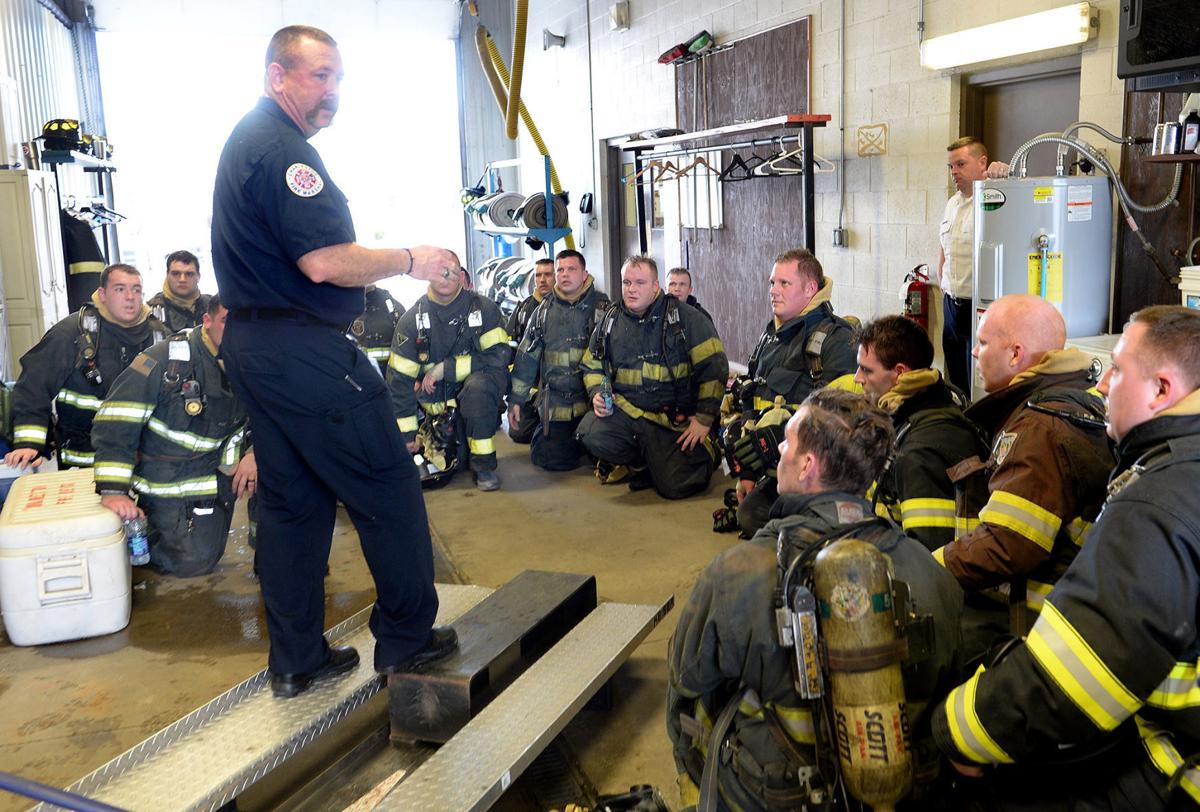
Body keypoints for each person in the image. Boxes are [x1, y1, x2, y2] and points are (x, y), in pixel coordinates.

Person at [211, 25, 458, 699]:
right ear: (277, 77)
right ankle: (407, 641)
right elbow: (323, 262)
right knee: (388, 488)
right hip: (304, 351)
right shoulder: (284, 152)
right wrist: (410, 259)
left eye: (338, 78)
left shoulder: (248, 141)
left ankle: (297, 661)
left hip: (256, 346)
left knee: (293, 506)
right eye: (319, 76)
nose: (333, 91)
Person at [932, 306, 1200, 811]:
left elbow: (1074, 678)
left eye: (1117, 370)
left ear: (1162, 389)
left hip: (1175, 767)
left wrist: (957, 728)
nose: (1102, 386)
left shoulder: (1154, 503)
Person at [668, 389, 964, 811]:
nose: (780, 450)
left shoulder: (738, 572)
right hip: (905, 793)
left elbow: (687, 680)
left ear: (807, 465)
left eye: (788, 441)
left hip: (775, 796)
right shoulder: (931, 571)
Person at [936, 294, 1113, 661]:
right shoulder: (1073, 400)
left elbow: (1008, 544)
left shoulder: (1039, 428)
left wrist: (928, 568)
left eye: (983, 343)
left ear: (1015, 354)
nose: (974, 353)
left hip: (1040, 638)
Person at [91, 296, 256, 577]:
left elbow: (272, 416)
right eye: (227, 322)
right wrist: (113, 491)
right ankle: (140, 535)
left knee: (285, 474)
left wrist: (255, 453)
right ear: (207, 321)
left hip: (219, 477)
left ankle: (272, 556)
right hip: (168, 482)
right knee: (192, 563)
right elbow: (117, 420)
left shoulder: (254, 360)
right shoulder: (162, 360)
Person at [577, 256, 728, 499]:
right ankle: (643, 464)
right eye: (627, 282)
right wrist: (596, 393)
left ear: (656, 286)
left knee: (676, 487)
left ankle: (707, 450)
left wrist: (704, 418)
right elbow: (591, 364)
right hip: (630, 415)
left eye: (640, 283)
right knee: (590, 432)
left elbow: (715, 368)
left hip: (674, 421)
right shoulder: (610, 320)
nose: (631, 289)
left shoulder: (687, 319)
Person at [731, 248, 857, 536]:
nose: (773, 291)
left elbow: (841, 421)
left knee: (767, 522)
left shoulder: (837, 341)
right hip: (778, 463)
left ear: (810, 289)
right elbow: (752, 397)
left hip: (818, 469)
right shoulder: (771, 337)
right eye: (772, 283)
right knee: (749, 515)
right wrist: (748, 468)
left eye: (784, 283)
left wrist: (782, 434)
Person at [5, 264, 167, 471]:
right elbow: (34, 386)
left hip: (145, 459)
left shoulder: (158, 335)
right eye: (120, 289)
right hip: (84, 461)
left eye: (136, 290)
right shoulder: (71, 333)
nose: (130, 297)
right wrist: (29, 442)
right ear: (102, 294)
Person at [854, 315, 986, 551]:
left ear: (900, 373)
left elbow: (926, 553)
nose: (857, 378)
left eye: (866, 370)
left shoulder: (921, 450)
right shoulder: (913, 413)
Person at [386, 257, 511, 491]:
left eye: (451, 271)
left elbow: (499, 356)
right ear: (427, 275)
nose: (445, 277)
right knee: (450, 465)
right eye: (439, 271)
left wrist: (445, 369)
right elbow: (399, 382)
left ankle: (484, 465)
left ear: (462, 276)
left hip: (478, 406)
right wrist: (407, 436)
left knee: (479, 386)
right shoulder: (411, 321)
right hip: (438, 412)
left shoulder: (484, 310)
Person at [508, 249, 609, 471]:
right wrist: (516, 400)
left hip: (594, 404)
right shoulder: (543, 312)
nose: (564, 274)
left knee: (608, 450)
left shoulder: (603, 309)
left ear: (584, 274)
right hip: (557, 405)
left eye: (571, 269)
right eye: (560, 270)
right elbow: (526, 359)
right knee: (549, 459)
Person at [938, 137, 1005, 394]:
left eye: (961, 164)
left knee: (978, 385)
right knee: (956, 383)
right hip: (951, 307)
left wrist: (1003, 175)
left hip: (978, 309)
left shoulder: (994, 198)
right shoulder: (952, 204)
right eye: (951, 166)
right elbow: (944, 250)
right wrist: (943, 283)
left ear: (982, 163)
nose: (954, 171)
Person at [506, 257, 555, 444]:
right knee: (519, 433)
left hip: (557, 388)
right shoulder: (523, 310)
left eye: (548, 274)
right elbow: (511, 353)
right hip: (531, 388)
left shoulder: (566, 309)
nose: (542, 280)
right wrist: (518, 396)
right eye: (538, 275)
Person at [147, 250, 212, 333]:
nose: (182, 279)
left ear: (198, 276)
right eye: (175, 274)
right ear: (167, 275)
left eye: (189, 274)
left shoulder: (212, 305)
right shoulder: (153, 310)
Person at [349, 284, 405, 377]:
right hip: (353, 377)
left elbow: (406, 350)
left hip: (387, 377)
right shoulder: (342, 307)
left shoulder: (393, 309)